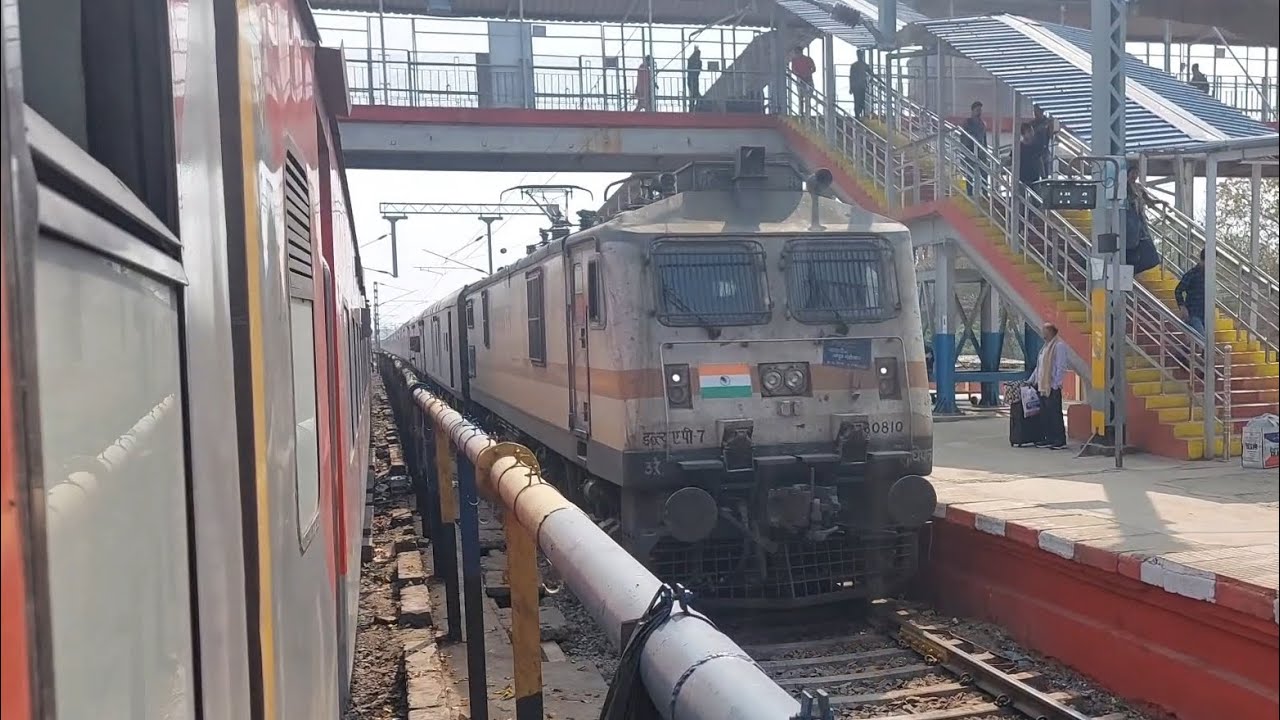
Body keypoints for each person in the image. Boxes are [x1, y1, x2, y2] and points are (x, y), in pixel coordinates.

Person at [1124, 165, 1165, 275]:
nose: (1134, 176)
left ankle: (1145, 266)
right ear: (1128, 174)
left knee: (1145, 243)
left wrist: (1160, 202)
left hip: (1139, 219)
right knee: (1132, 243)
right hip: (1129, 220)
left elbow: (1148, 200)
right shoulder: (1123, 187)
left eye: (1136, 173)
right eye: (1133, 173)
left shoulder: (1139, 187)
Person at [1033, 322, 1067, 449]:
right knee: (1045, 414)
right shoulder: (1045, 347)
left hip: (1052, 386)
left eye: (1045, 331)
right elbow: (1039, 367)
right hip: (1042, 386)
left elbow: (1061, 366)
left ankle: (1059, 440)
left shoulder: (1058, 346)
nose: (1043, 333)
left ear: (1051, 332)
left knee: (1054, 414)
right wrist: (1032, 380)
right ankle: (1049, 438)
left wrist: (1056, 384)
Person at [1175, 249, 1206, 336]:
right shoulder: (1192, 274)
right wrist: (1182, 307)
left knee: (1203, 339)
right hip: (1193, 313)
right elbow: (1178, 290)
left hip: (1205, 314)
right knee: (1202, 339)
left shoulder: (1208, 275)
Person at [960, 101, 987, 197]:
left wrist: (985, 150)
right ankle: (970, 193)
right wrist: (964, 151)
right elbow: (963, 137)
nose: (979, 112)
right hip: (970, 151)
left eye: (980, 110)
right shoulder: (967, 123)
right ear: (972, 111)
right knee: (970, 173)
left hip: (980, 152)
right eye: (977, 110)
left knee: (984, 173)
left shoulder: (982, 124)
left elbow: (984, 138)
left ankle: (985, 193)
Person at [1018, 122, 1048, 198]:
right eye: (1029, 131)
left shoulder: (1036, 145)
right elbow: (1011, 159)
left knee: (1037, 199)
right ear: (1023, 134)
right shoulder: (1019, 146)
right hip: (1022, 178)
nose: (1031, 133)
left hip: (1035, 177)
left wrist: (1043, 175)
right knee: (1021, 198)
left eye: (1032, 131)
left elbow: (1040, 160)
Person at [1030, 105, 1056, 176]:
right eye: (1034, 111)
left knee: (1045, 171)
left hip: (1044, 150)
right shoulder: (1032, 123)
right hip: (1034, 151)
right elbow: (1031, 134)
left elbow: (1051, 136)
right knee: (1034, 172)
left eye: (1037, 111)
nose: (1035, 113)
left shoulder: (1047, 122)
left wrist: (1051, 126)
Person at [790, 46, 816, 115]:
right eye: (795, 52)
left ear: (800, 52)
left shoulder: (807, 59)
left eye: (797, 52)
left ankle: (807, 113)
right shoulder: (794, 60)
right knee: (801, 97)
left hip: (807, 79)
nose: (796, 53)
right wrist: (800, 74)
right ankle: (802, 113)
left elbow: (813, 68)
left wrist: (807, 73)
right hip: (801, 80)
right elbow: (793, 70)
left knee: (807, 97)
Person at [849, 49, 872, 118]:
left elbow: (851, 77)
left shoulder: (858, 65)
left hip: (860, 86)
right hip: (859, 86)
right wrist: (851, 87)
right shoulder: (862, 65)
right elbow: (851, 77)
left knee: (860, 101)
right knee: (858, 101)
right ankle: (857, 115)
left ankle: (858, 114)